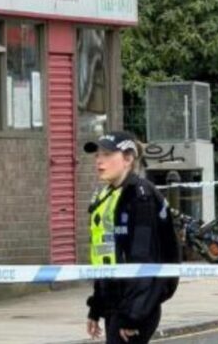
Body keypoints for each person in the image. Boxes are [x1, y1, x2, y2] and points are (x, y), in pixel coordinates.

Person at [84, 131, 179, 344]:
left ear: (128, 159)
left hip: (135, 307)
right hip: (116, 303)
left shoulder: (140, 197)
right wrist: (96, 307)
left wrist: (134, 316)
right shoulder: (108, 195)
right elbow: (107, 256)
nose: (99, 160)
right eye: (98, 155)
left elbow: (145, 261)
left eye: (107, 154)